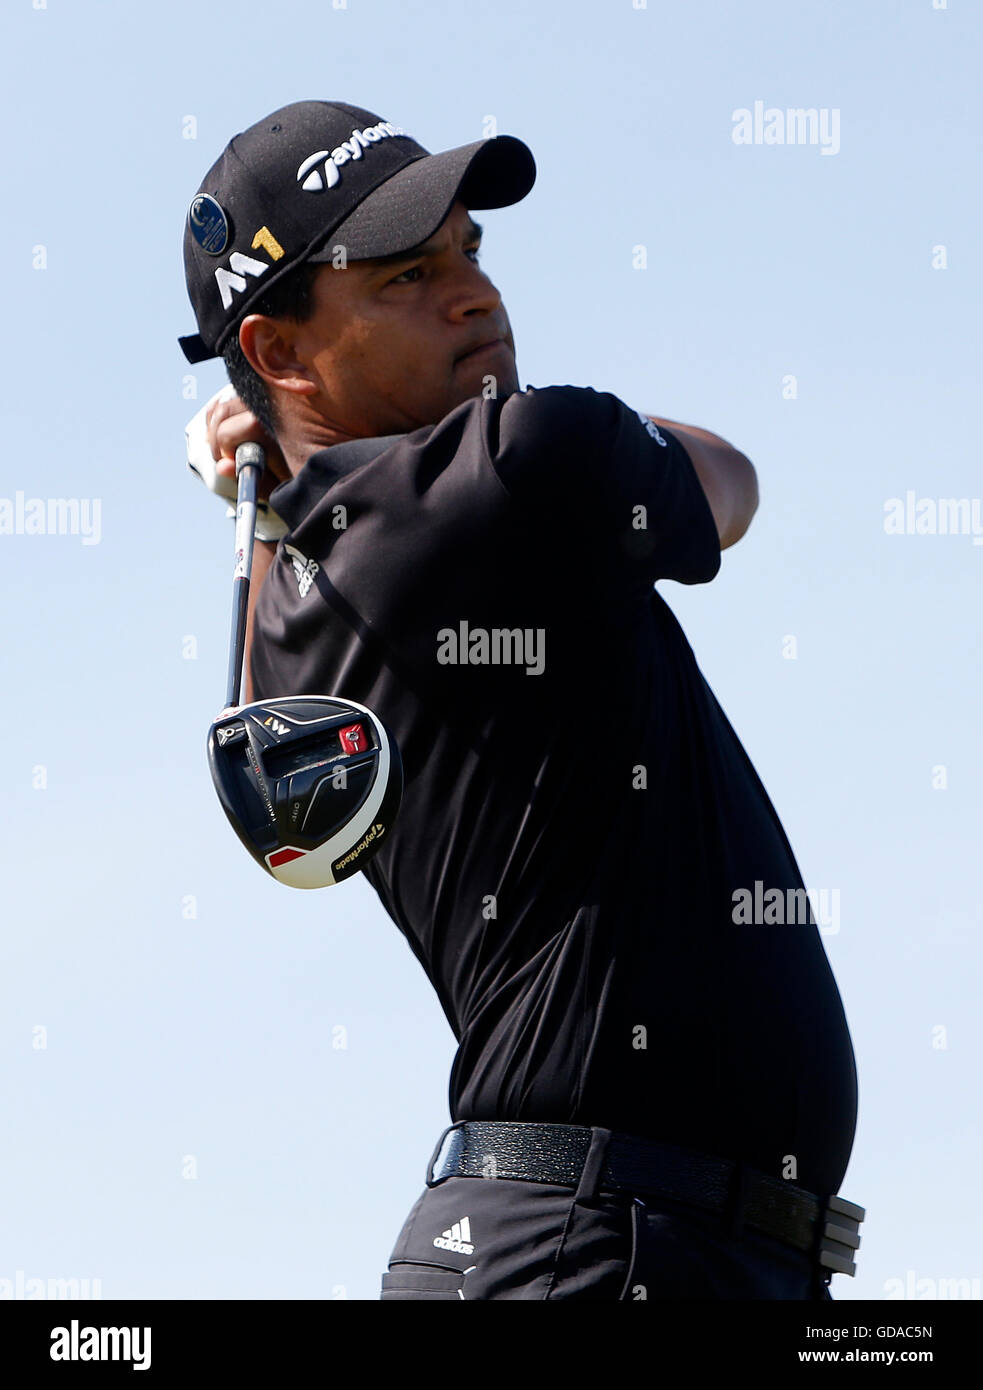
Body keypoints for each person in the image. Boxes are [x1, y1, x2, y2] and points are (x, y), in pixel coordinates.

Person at [180, 100, 864, 1300]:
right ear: (279, 352)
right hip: (598, 1248)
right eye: (405, 275)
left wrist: (265, 487)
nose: (474, 296)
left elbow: (310, 547)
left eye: (470, 252)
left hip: (621, 1244)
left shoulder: (289, 610)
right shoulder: (527, 463)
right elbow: (730, 483)